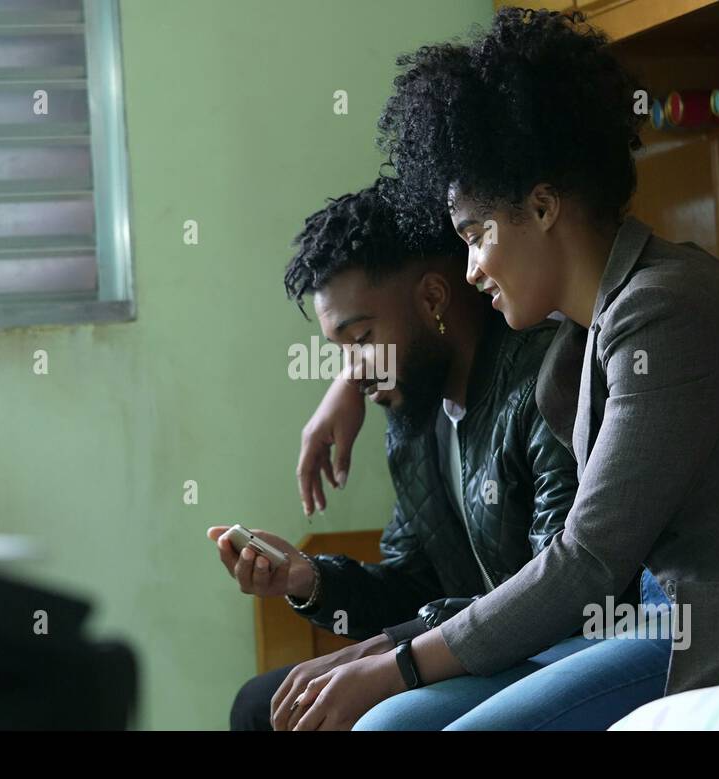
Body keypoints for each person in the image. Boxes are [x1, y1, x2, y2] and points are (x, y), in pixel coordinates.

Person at [282, 8, 719, 730]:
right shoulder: (589, 330)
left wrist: (394, 663)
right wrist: (352, 379)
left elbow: (585, 558)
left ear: (544, 206)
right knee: (388, 724)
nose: (469, 270)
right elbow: (437, 345)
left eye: (476, 236)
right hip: (653, 624)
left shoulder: (665, 310)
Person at [213, 181, 668, 731]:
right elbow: (415, 584)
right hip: (466, 644)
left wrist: (394, 653)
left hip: (557, 641)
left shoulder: (543, 385)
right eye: (341, 353)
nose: (353, 375)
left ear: (432, 300)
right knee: (258, 706)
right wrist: (309, 580)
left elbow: (555, 591)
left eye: (360, 340)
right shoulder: (414, 417)